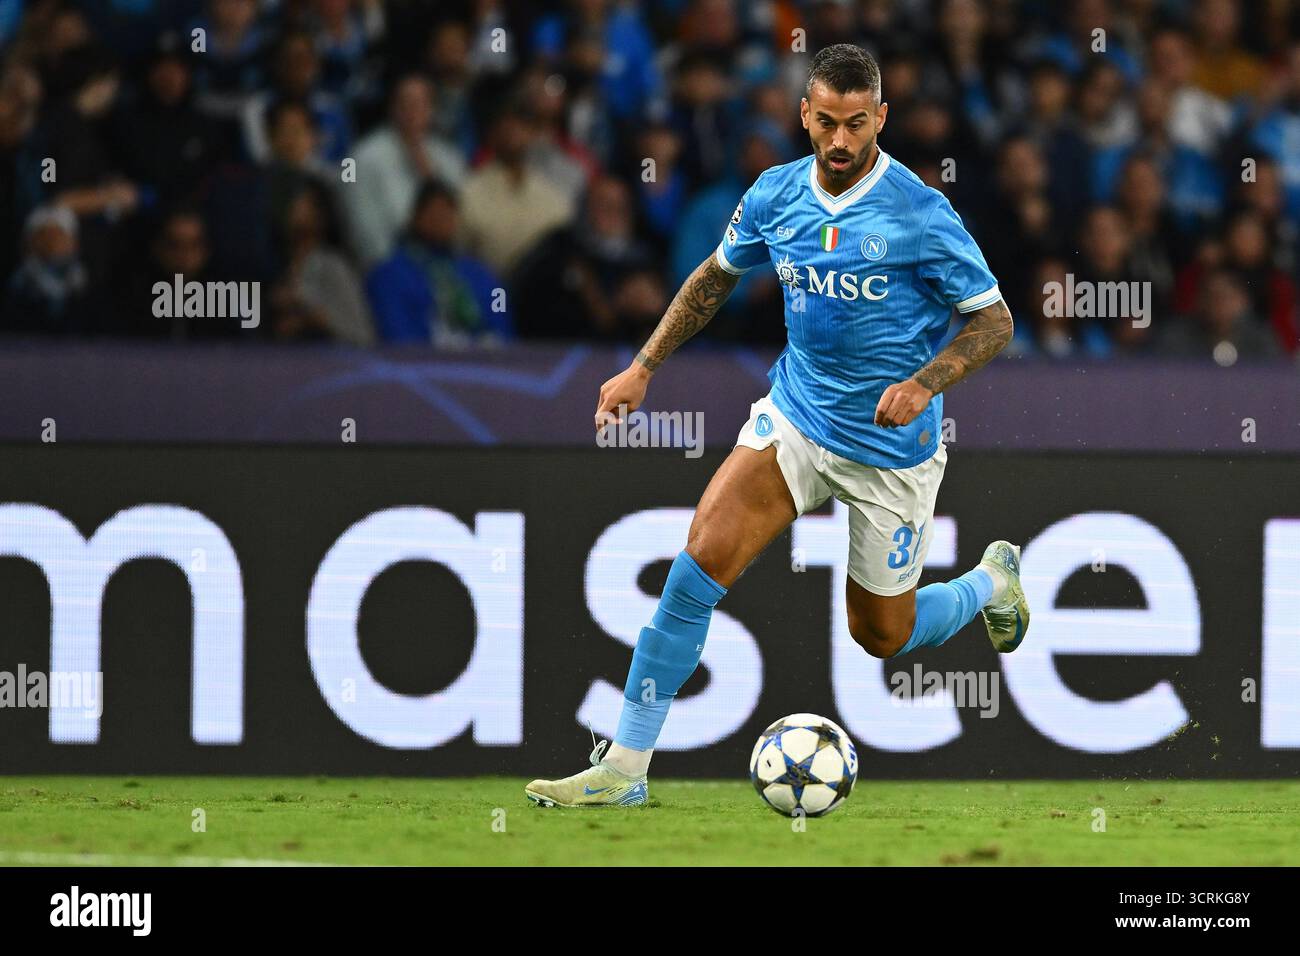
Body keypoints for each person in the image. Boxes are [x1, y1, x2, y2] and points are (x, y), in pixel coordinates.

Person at [525, 45, 1030, 808]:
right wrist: (644, 367)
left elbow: (994, 323)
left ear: (880, 119)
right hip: (795, 418)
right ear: (804, 114)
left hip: (892, 453)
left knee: (882, 636)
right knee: (697, 564)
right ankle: (623, 770)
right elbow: (714, 279)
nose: (839, 140)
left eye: (856, 124)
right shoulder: (774, 194)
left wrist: (926, 383)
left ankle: (991, 581)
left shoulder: (922, 211)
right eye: (825, 121)